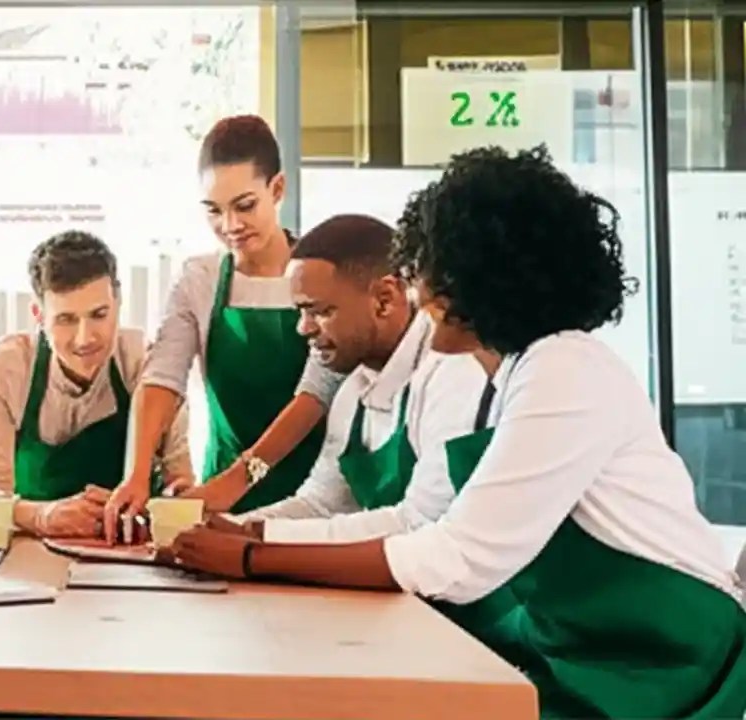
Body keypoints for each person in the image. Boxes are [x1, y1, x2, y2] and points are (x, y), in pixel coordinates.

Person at [169, 146, 746, 719]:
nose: (416, 291)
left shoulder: (564, 369)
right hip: (591, 644)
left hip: (667, 654)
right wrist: (255, 539)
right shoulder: (509, 370)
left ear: (480, 276)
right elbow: (410, 520)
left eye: (425, 267)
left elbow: (459, 555)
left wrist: (252, 556)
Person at [105, 115, 344, 541]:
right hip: (219, 502)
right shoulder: (200, 279)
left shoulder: (319, 275)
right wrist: (137, 474)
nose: (230, 225)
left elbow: (315, 394)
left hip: (314, 500)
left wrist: (236, 481)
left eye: (244, 205)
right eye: (214, 211)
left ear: (278, 189)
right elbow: (162, 377)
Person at [216, 214, 486, 543]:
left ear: (384, 299)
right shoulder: (352, 390)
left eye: (321, 312)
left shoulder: (452, 375)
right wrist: (229, 530)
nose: (304, 328)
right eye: (301, 311)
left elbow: (421, 523)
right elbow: (321, 505)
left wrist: (254, 541)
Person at [0, 230, 193, 538]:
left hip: (127, 556)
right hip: (30, 558)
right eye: (66, 320)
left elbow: (180, 480)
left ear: (118, 302)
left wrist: (172, 503)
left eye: (99, 315)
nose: (86, 338)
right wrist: (43, 516)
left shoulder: (146, 365)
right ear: (38, 315)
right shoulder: (2, 369)